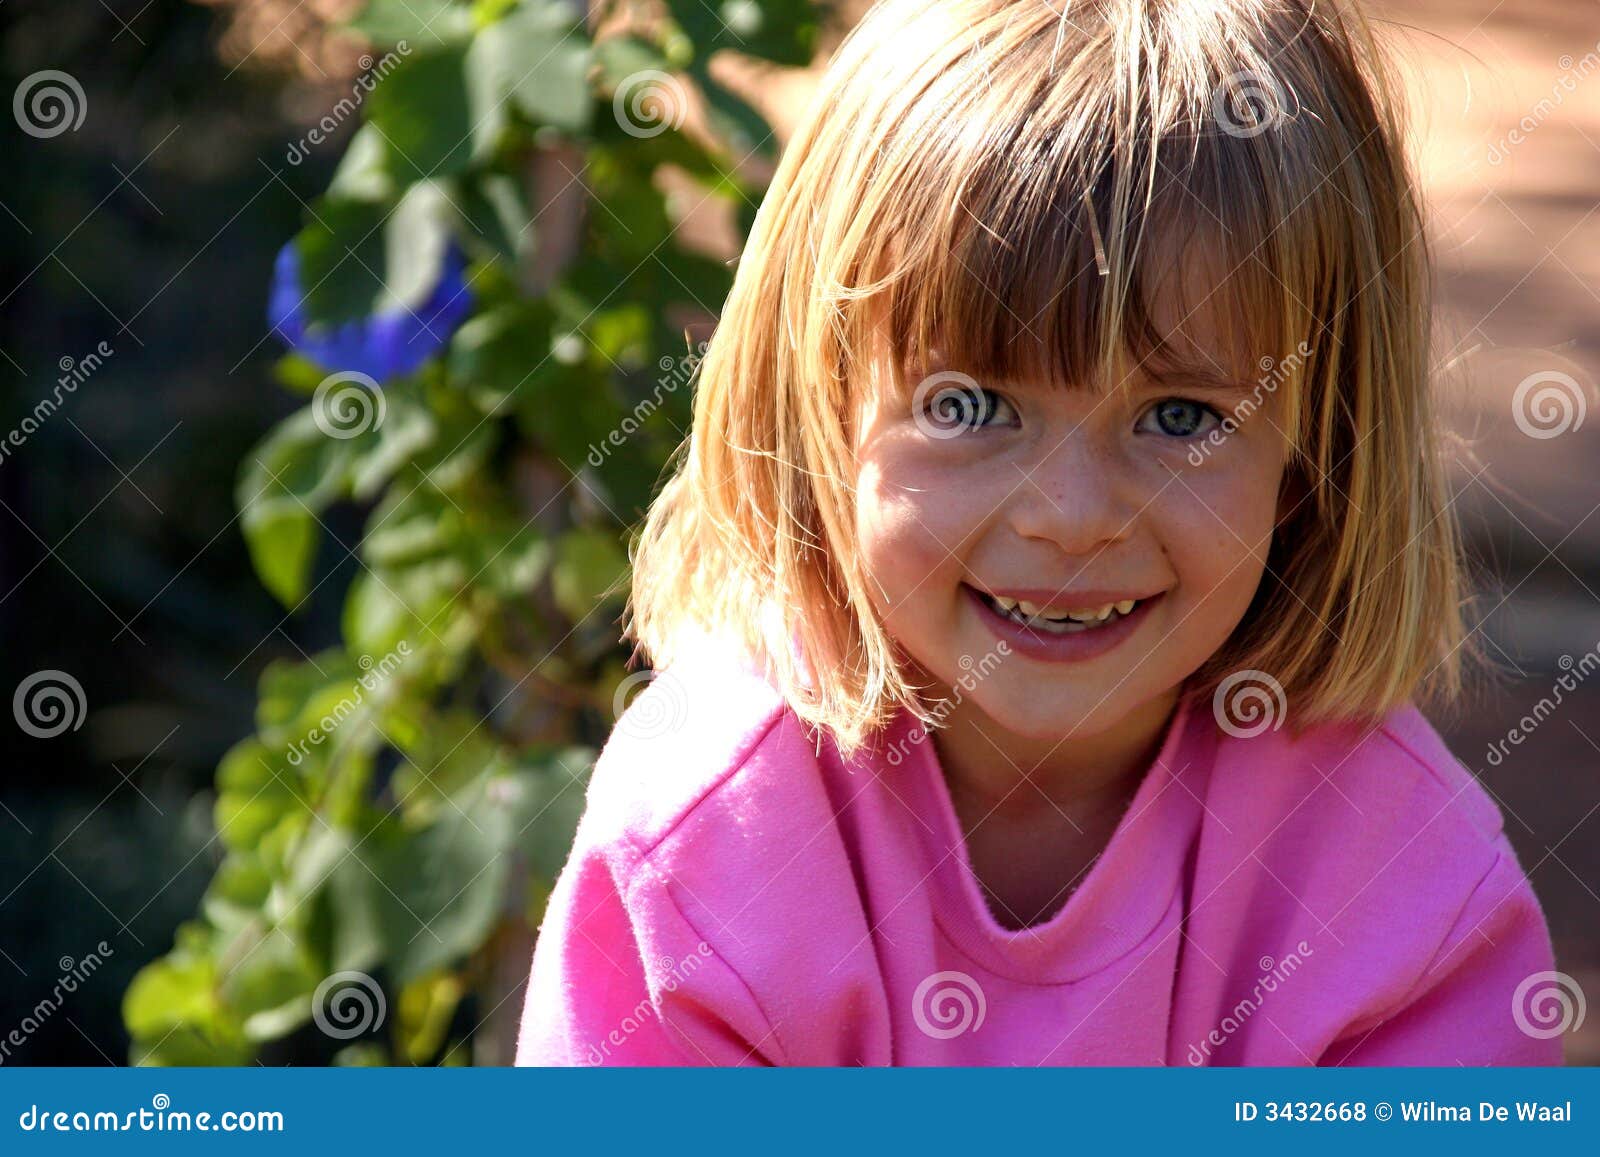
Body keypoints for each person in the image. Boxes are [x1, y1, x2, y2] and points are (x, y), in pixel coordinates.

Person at [515, 0, 1563, 1065]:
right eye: (968, 406)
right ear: (815, 409)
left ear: (1316, 453)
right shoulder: (710, 836)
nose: (1069, 517)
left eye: (1183, 418)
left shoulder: (1396, 874)